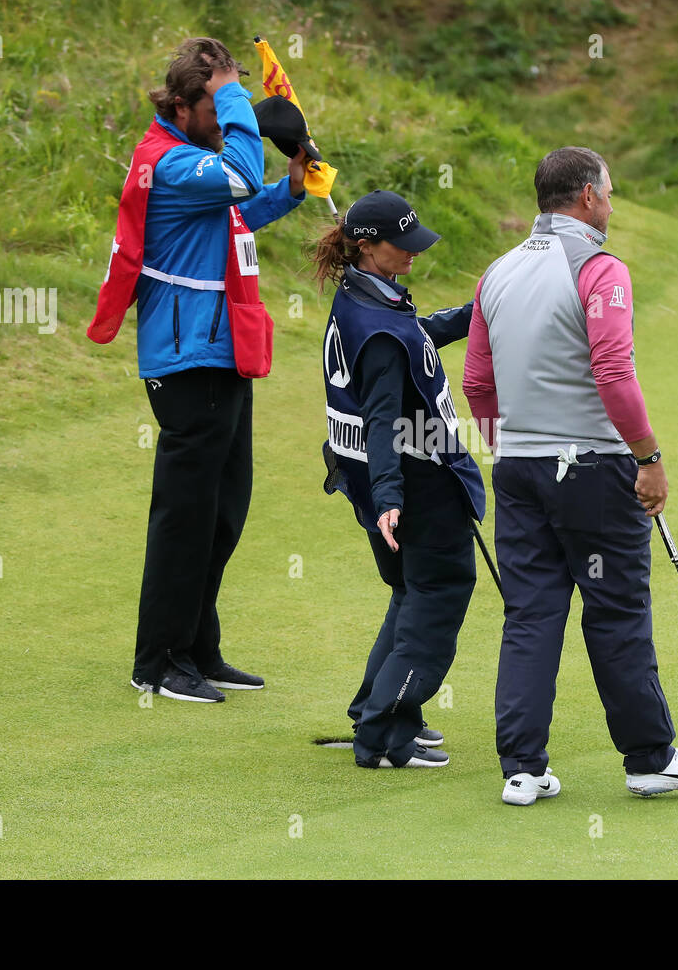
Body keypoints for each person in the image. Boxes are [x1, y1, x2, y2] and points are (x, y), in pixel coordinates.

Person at [462, 146, 678, 804]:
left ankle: (522, 769)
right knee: (615, 610)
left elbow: (476, 381)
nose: (611, 204)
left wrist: (511, 448)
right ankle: (650, 759)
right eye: (608, 193)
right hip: (594, 469)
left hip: (520, 469)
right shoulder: (599, 267)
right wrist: (648, 457)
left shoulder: (495, 272)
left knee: (531, 613)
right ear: (586, 197)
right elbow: (613, 373)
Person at [87, 37, 312, 703]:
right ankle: (156, 660)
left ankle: (196, 645)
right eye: (216, 102)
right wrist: (241, 95)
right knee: (184, 516)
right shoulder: (170, 162)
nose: (226, 114)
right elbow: (237, 179)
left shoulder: (191, 160)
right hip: (189, 361)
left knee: (222, 512)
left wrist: (294, 187)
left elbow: (237, 209)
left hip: (220, 355)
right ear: (182, 106)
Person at [313, 190, 484, 768]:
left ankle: (376, 708)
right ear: (366, 246)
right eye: (400, 243)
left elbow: (418, 337)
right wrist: (392, 499)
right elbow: (383, 421)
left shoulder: (363, 300)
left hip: (369, 483)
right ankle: (385, 736)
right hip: (414, 486)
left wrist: (474, 312)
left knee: (410, 593)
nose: (413, 252)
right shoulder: (380, 328)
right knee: (436, 598)